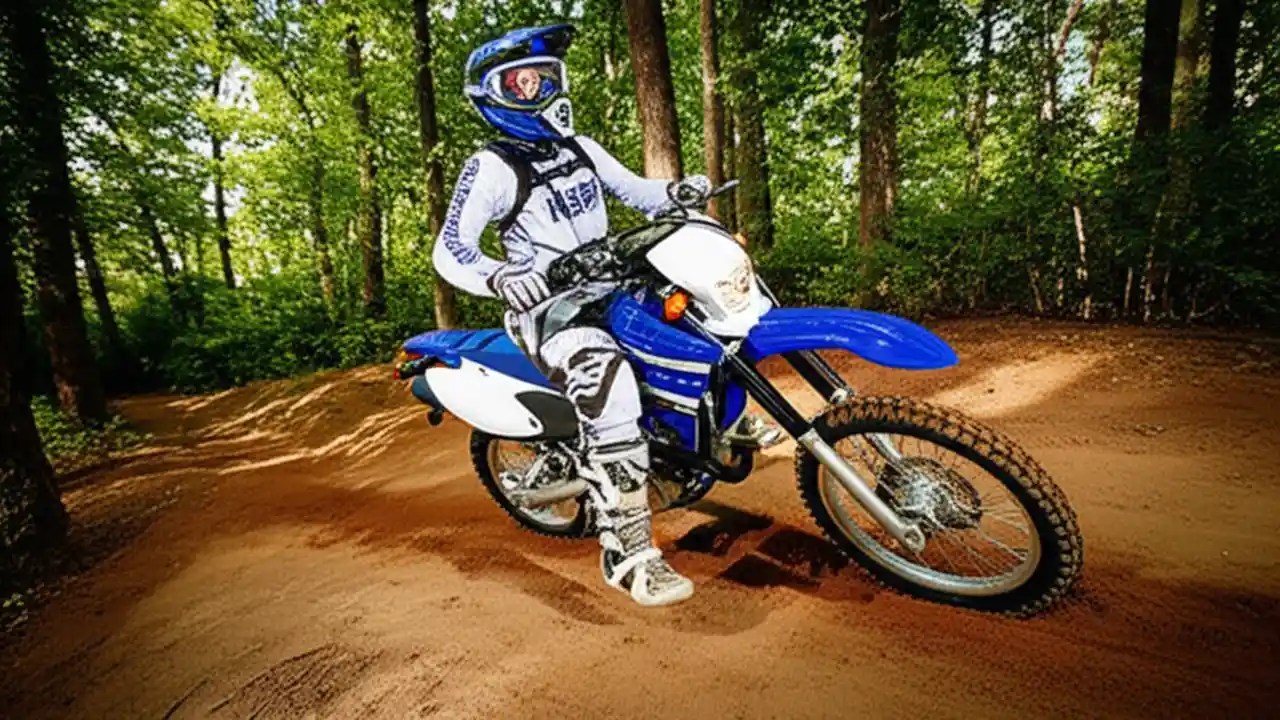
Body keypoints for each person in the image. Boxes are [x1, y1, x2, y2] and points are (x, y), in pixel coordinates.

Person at [433, 23, 770, 607]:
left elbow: (638, 192)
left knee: (698, 321)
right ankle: (627, 551)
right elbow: (450, 249)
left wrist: (678, 193)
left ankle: (712, 425)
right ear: (492, 94)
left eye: (542, 78)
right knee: (609, 385)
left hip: (612, 285)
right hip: (549, 308)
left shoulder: (579, 147)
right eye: (518, 82)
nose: (534, 90)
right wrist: (500, 276)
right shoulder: (490, 166)